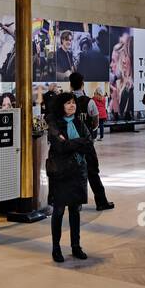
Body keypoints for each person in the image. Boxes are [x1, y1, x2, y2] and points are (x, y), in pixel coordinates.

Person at [45, 93, 93, 263]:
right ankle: (56, 248)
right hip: (61, 173)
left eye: (73, 103)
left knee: (75, 210)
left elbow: (89, 143)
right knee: (58, 211)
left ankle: (76, 246)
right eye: (68, 103)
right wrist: (79, 142)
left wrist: (71, 143)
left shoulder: (79, 122)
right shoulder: (53, 123)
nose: (72, 105)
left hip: (77, 172)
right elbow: (60, 146)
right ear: (61, 106)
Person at [68, 72, 113, 211]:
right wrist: (90, 133)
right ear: (82, 84)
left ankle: (75, 203)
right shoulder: (89, 102)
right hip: (86, 143)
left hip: (71, 144)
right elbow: (95, 121)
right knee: (92, 172)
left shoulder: (66, 102)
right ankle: (101, 202)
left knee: (73, 173)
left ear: (70, 85)